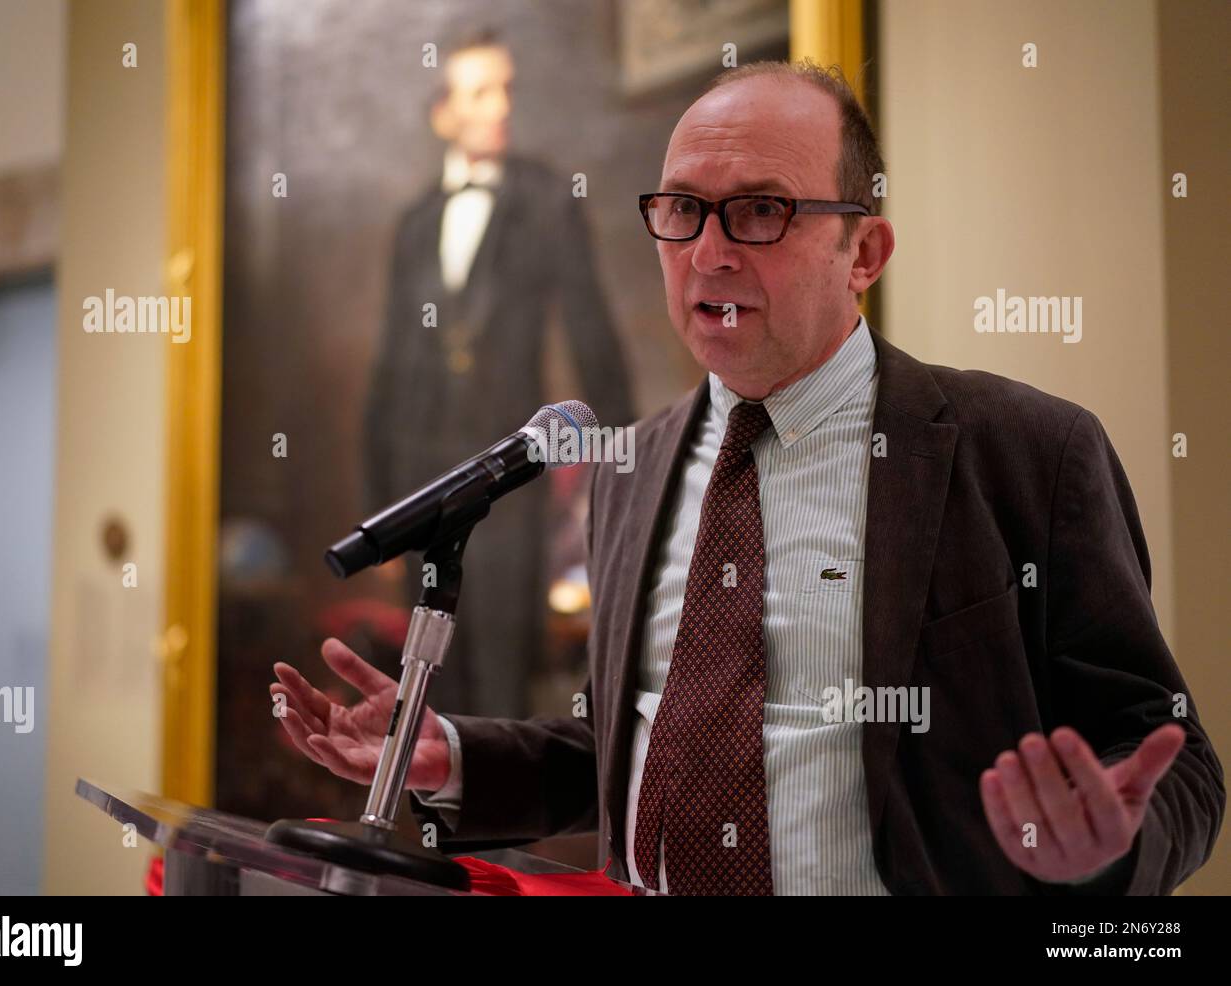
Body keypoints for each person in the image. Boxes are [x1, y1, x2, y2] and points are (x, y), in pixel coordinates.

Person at [278, 60, 1224, 895]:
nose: (709, 250)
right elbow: (639, 747)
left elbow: (1170, 763)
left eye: (762, 210)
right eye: (682, 209)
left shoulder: (1026, 451)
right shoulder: (631, 468)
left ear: (865, 252)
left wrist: (1103, 849)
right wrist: (450, 758)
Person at [361, 28, 634, 718]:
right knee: (428, 683)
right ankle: (426, 826)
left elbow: (593, 340)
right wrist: (382, 506)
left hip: (510, 481)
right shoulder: (416, 222)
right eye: (481, 92)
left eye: (506, 89)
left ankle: (496, 828)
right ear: (443, 114)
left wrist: (623, 472)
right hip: (422, 484)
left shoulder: (547, 201)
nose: (499, 107)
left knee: (501, 682)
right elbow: (391, 367)